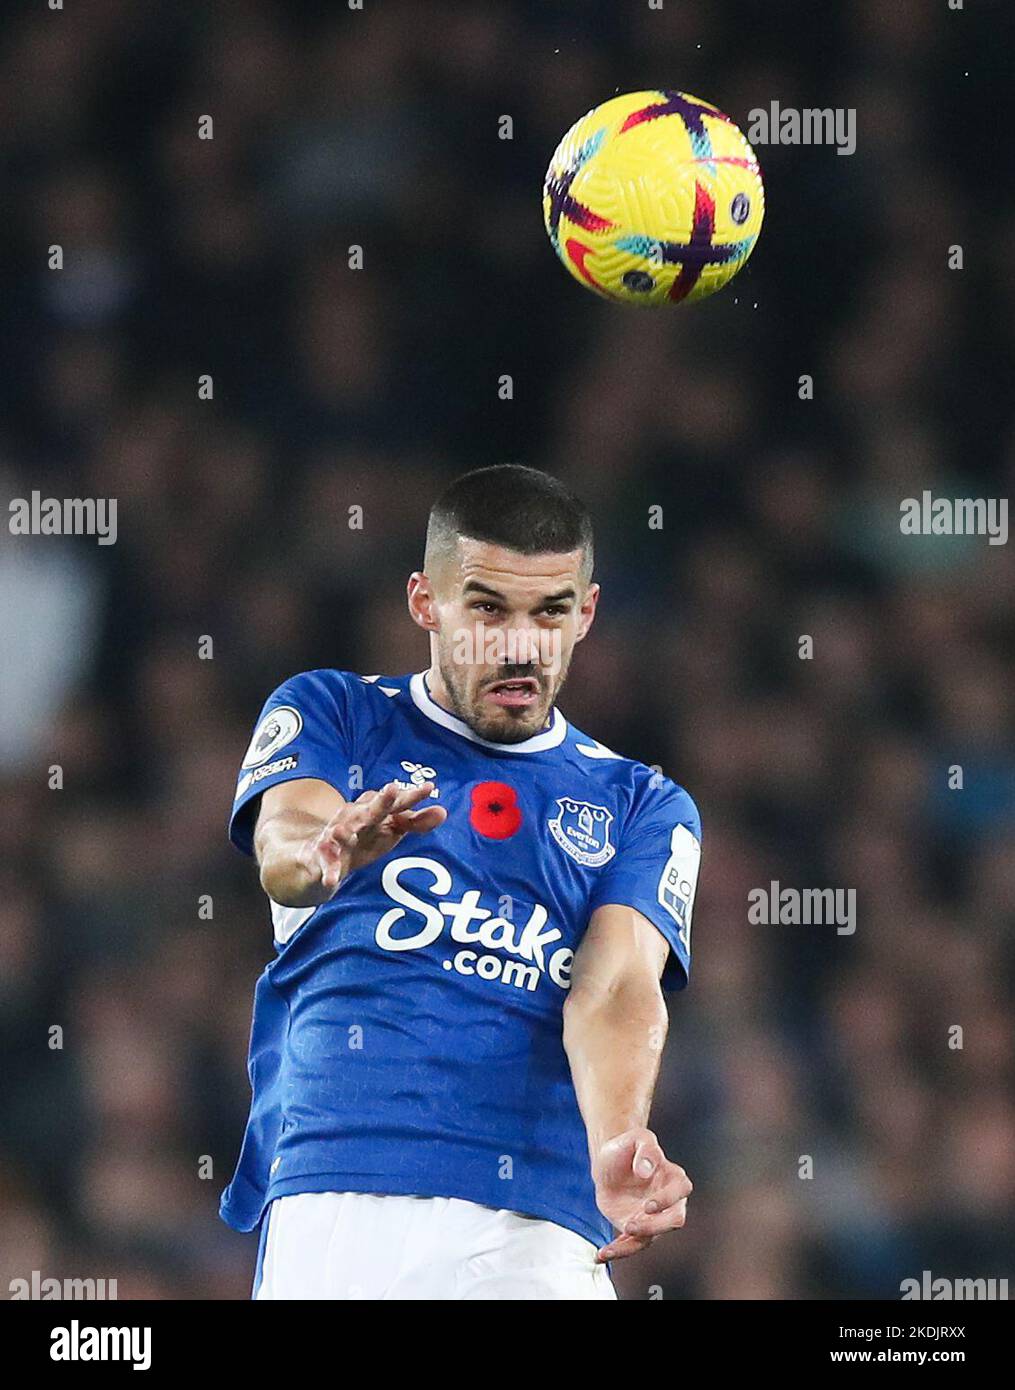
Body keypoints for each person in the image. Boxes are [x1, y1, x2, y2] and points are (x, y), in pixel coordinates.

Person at [223, 464, 702, 1300]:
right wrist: (325, 850)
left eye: (550, 612)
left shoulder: (641, 803)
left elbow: (618, 985)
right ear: (424, 603)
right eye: (487, 608)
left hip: (539, 1222)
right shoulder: (337, 712)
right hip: (342, 1185)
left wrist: (618, 1138)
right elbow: (285, 842)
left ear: (585, 613)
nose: (519, 645)